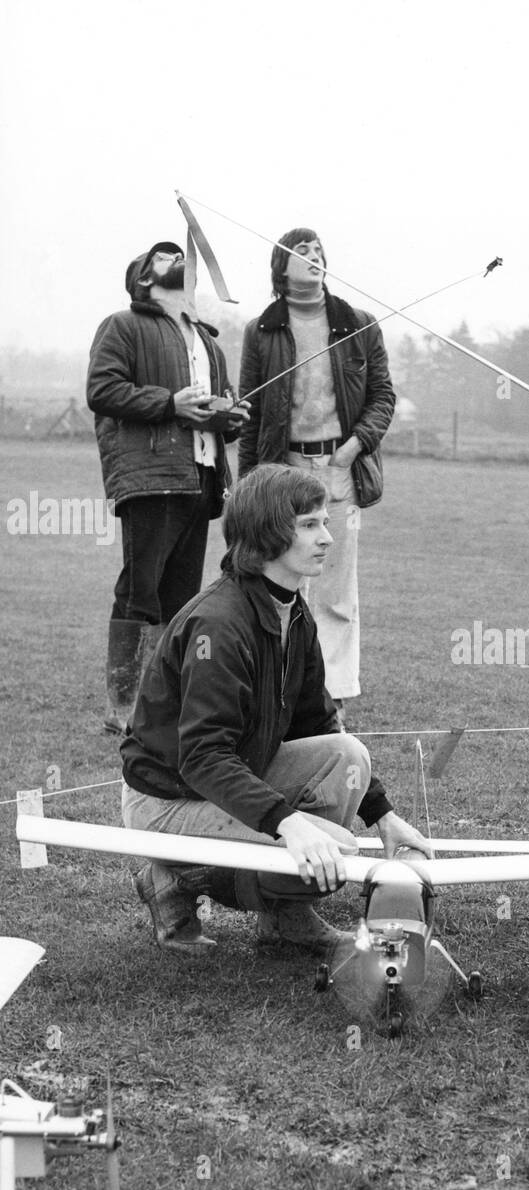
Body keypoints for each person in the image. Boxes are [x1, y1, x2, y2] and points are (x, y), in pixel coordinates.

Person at [121, 464, 429, 954]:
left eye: (325, 522)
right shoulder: (219, 625)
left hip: (234, 772)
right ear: (267, 536)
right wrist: (289, 823)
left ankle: (283, 919)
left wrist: (384, 815)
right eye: (309, 525)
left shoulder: (293, 611)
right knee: (338, 854)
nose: (327, 537)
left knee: (347, 755)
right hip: (168, 799)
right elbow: (201, 757)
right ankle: (172, 879)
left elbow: (317, 722)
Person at [87, 242, 247, 734]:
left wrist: (232, 417)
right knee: (141, 593)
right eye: (162, 256)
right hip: (150, 477)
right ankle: (123, 710)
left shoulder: (209, 343)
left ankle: (159, 706)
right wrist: (170, 404)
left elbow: (215, 418)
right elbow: (102, 390)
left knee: (181, 599)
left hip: (200, 478)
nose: (176, 257)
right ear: (142, 281)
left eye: (180, 254)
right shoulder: (123, 325)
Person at [238, 228, 396, 717]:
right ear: (279, 268)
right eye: (300, 251)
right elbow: (252, 413)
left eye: (318, 250)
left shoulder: (359, 324)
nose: (313, 256)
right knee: (283, 583)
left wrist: (351, 449)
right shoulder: (261, 330)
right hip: (283, 470)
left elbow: (382, 396)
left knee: (335, 590)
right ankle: (281, 695)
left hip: (339, 471)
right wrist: (245, 489)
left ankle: (334, 701)